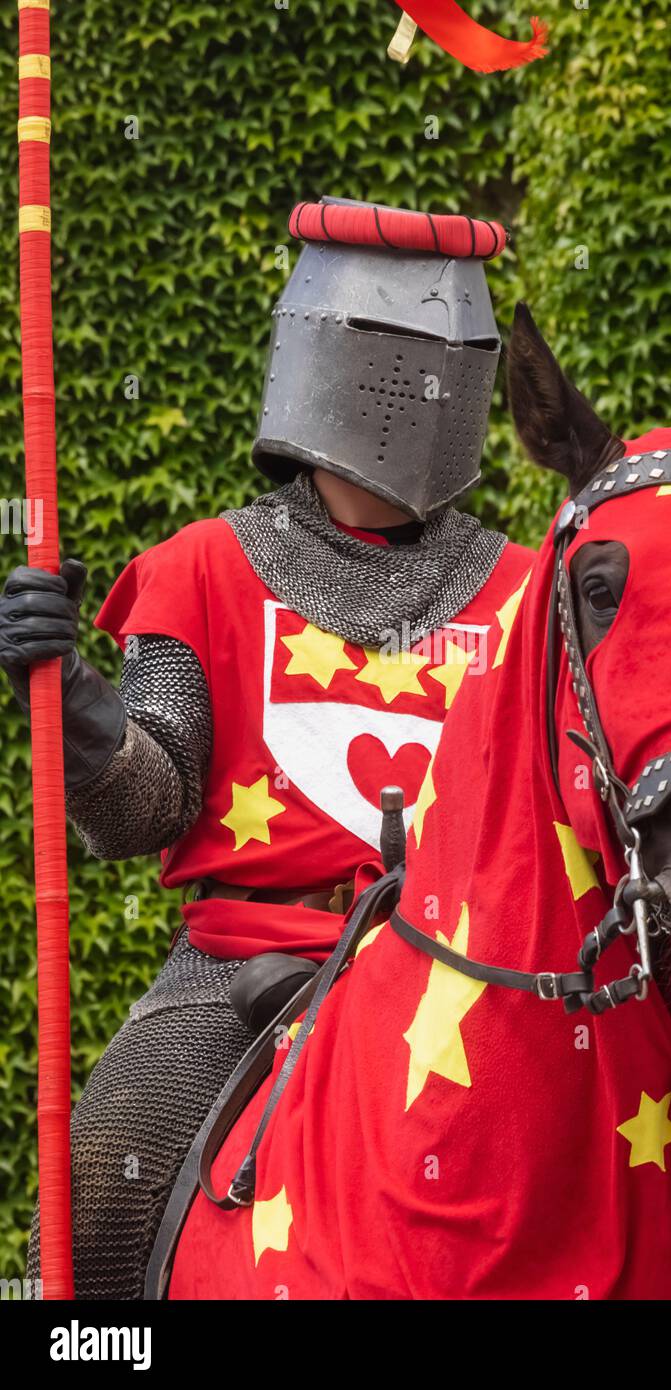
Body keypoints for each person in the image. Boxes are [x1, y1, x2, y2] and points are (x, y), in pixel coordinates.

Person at [0, 196, 533, 1298]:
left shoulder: (529, 593)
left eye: (456, 347)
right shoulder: (207, 567)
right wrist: (77, 703)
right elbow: (146, 810)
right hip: (249, 969)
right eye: (405, 347)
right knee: (101, 1186)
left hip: (474, 979)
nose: (428, 377)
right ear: (333, 355)